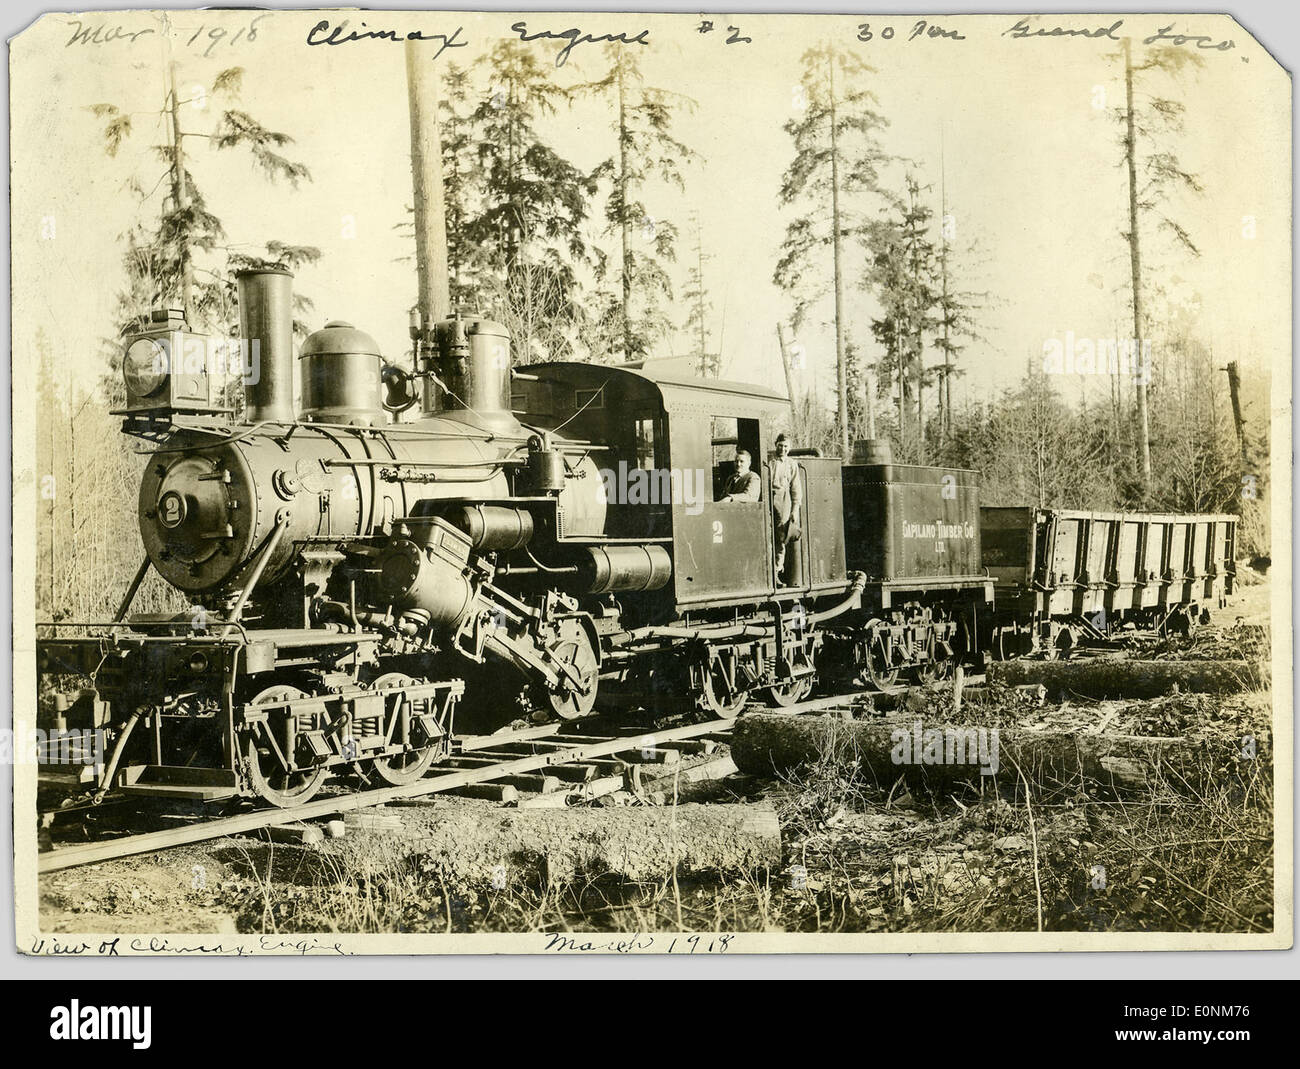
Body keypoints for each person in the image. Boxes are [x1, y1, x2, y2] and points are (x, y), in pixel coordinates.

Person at [770, 433, 802, 576]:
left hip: (783, 501)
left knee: (780, 537)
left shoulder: (792, 464)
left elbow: (796, 489)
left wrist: (795, 510)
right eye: (780, 445)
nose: (783, 449)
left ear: (789, 448)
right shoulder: (769, 461)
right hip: (769, 498)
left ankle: (776, 571)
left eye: (786, 446)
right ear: (775, 444)